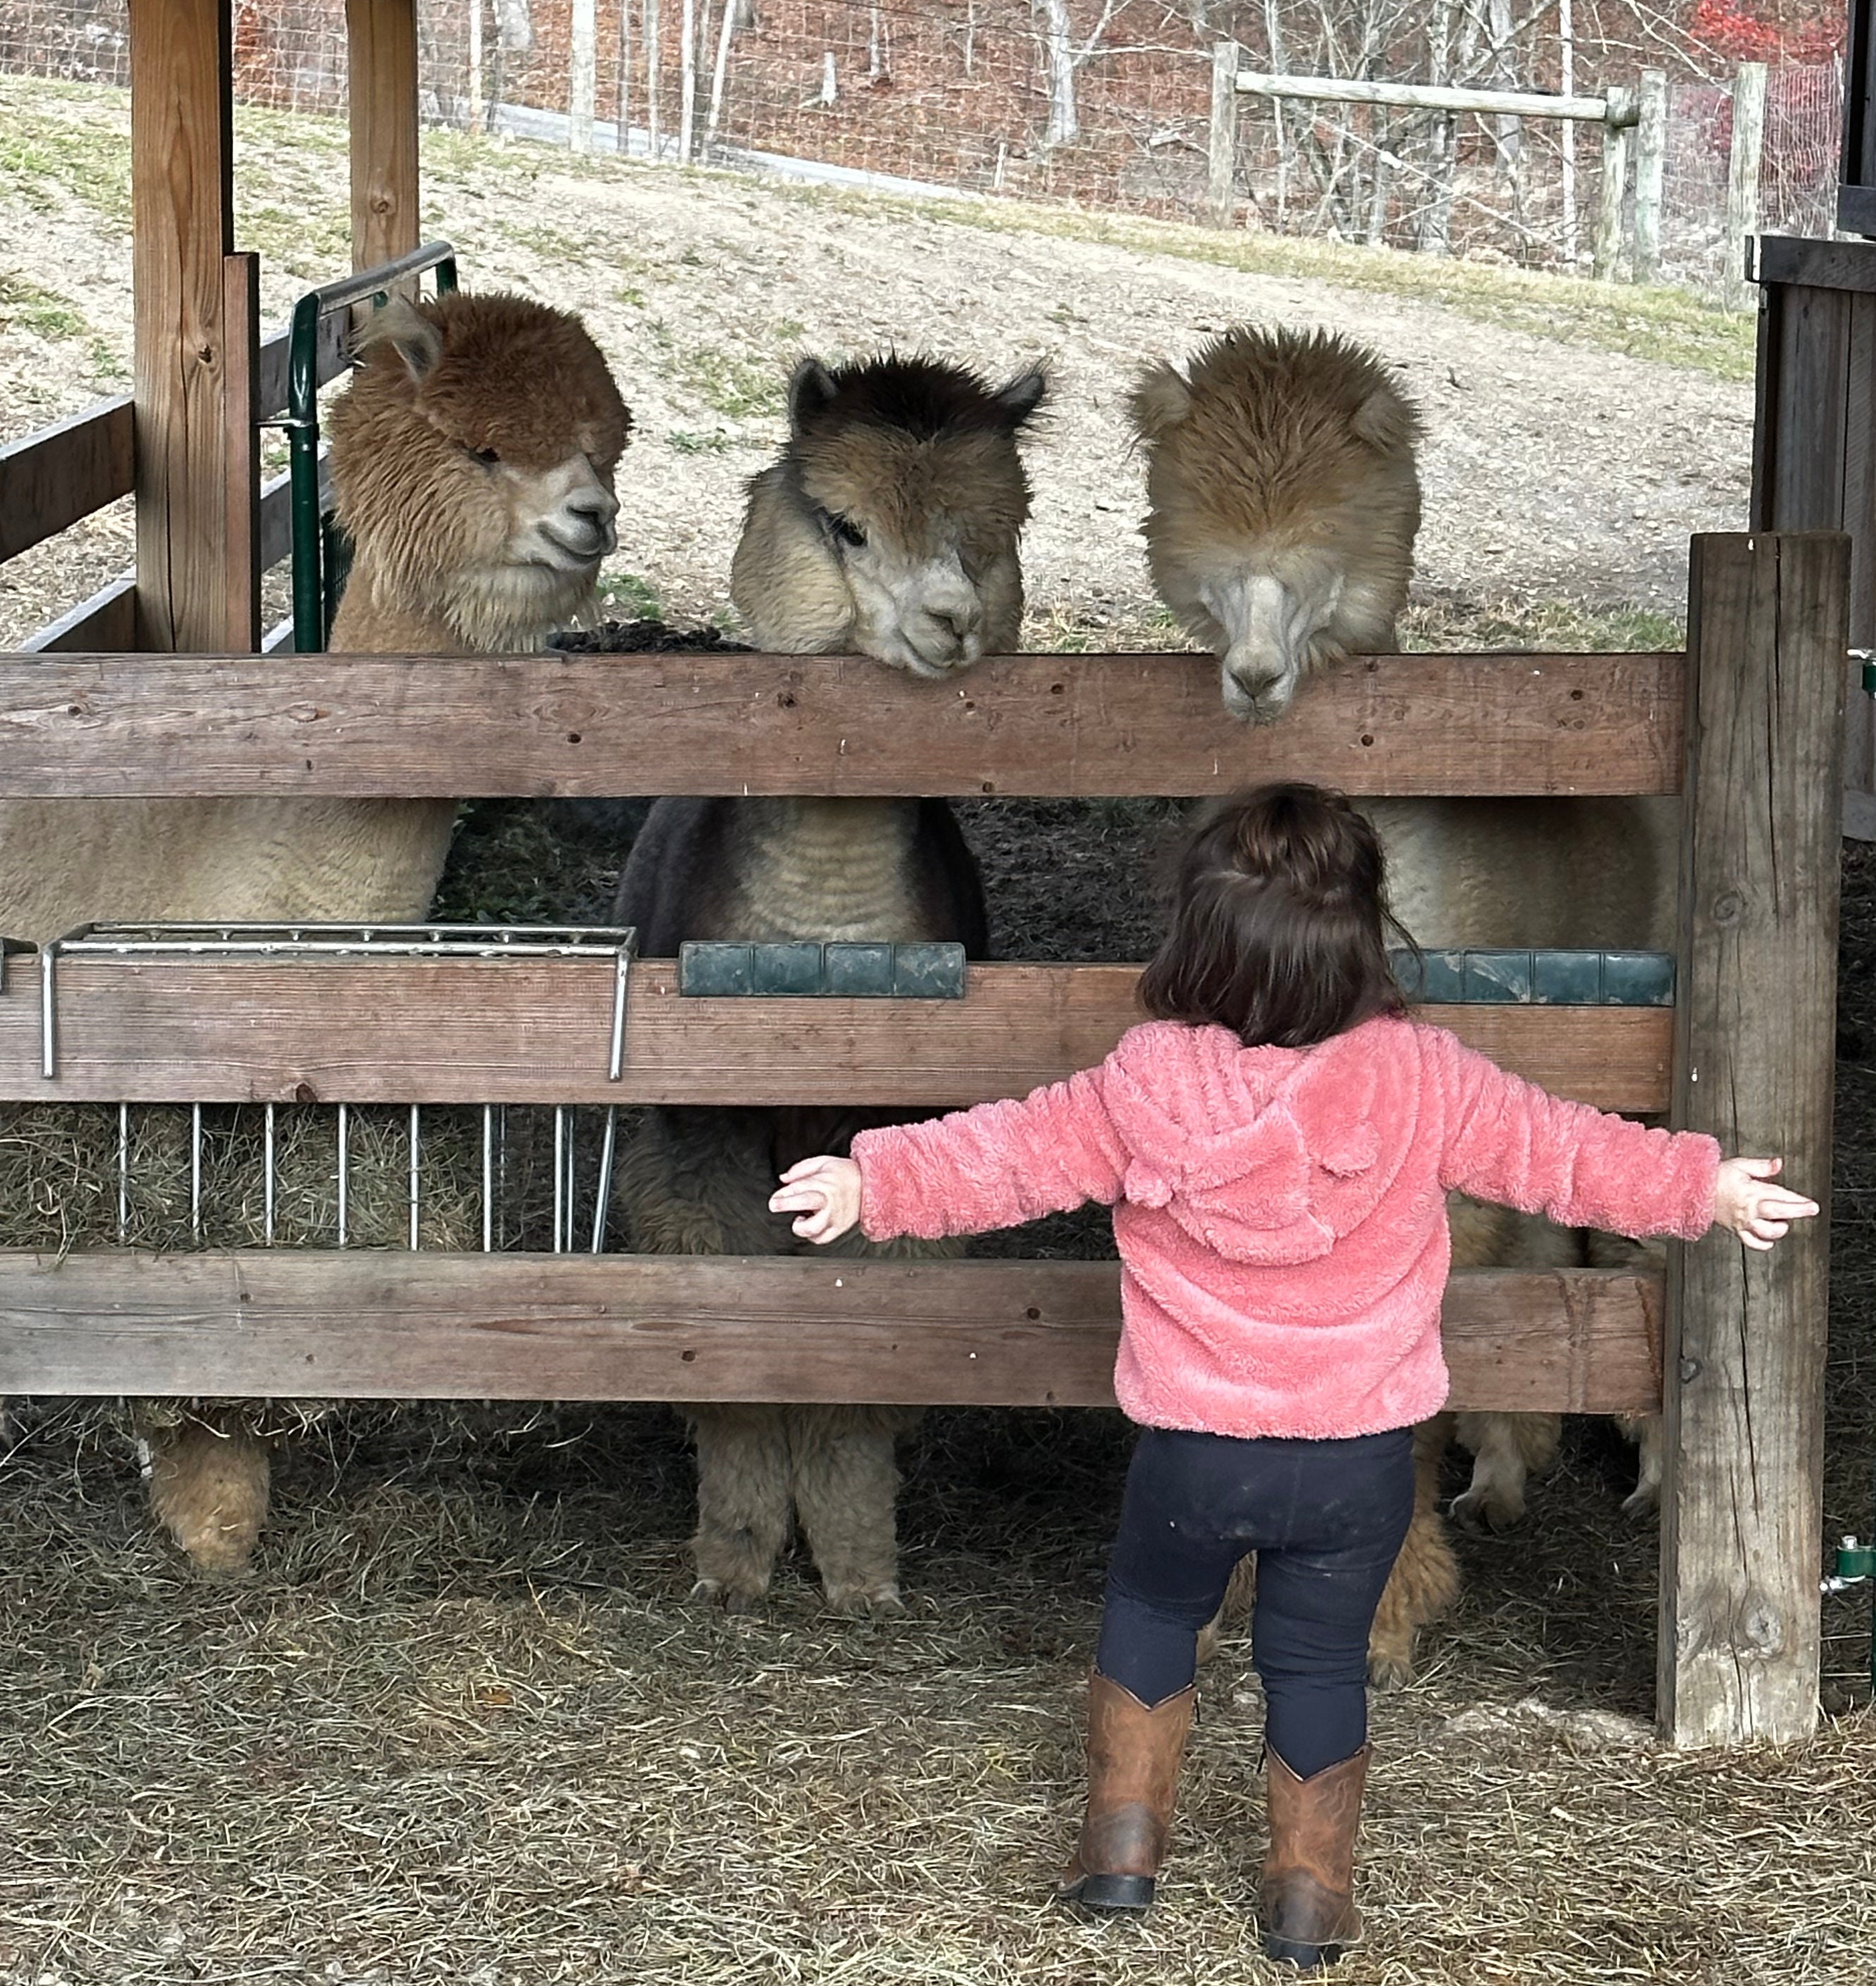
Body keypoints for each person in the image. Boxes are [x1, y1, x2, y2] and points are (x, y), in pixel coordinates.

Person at [767, 782, 1817, 1971]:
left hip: (1192, 1455)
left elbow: (1004, 1151)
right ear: (1369, 934)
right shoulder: (1425, 1077)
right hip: (1357, 1461)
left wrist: (872, 1182)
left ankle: (1119, 1847)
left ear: (1192, 937)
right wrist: (1703, 1187)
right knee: (1314, 1663)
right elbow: (1565, 1152)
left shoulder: (1141, 1080)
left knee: (1152, 1618)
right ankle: (1308, 1896)